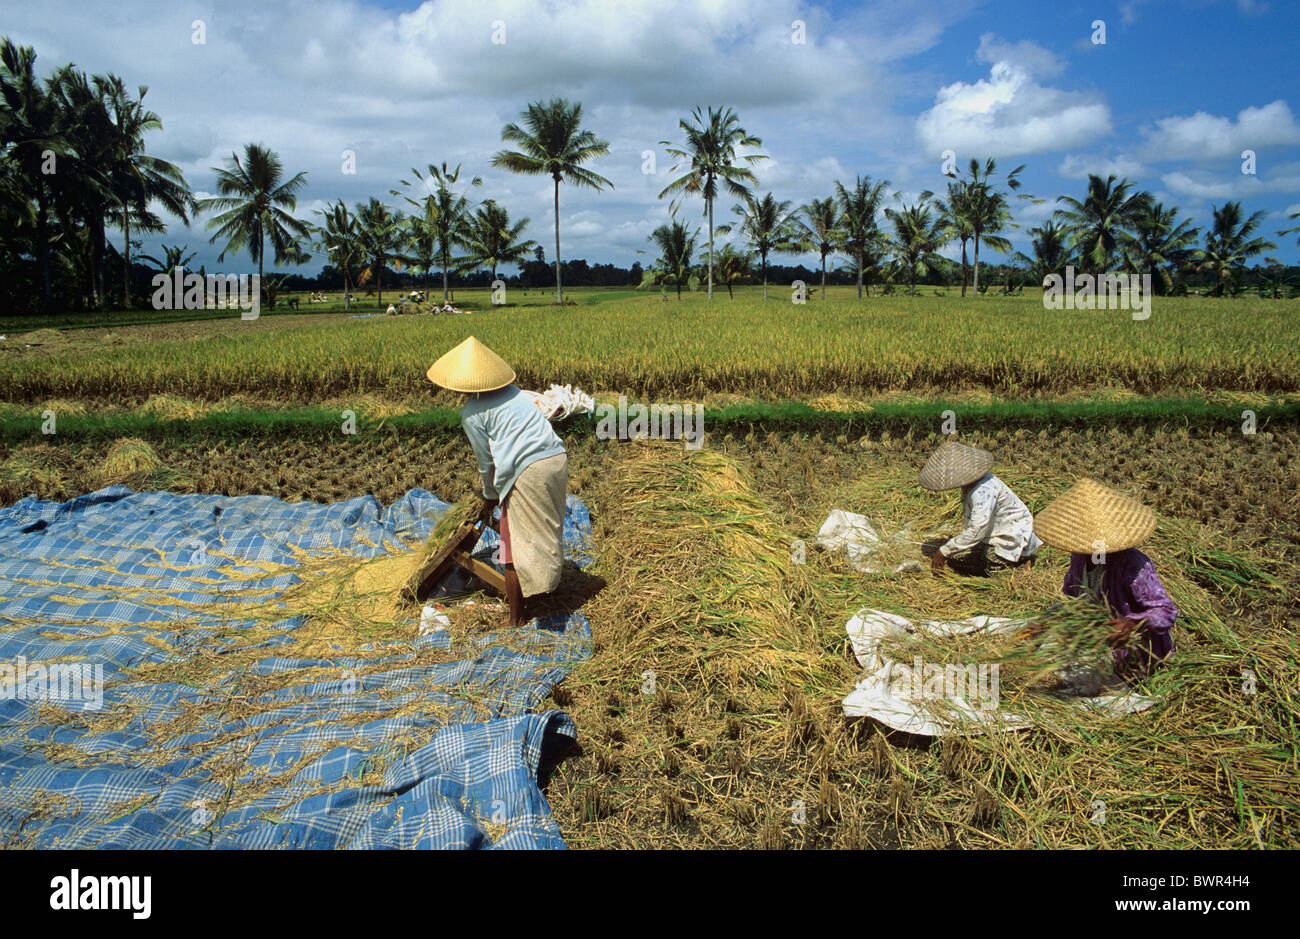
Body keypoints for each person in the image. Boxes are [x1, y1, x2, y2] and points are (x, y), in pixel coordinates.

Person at [426, 337, 569, 628]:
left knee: (512, 544)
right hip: (555, 459)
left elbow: (486, 461)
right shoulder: (515, 393)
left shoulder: (472, 413)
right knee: (545, 531)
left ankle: (516, 618)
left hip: (528, 472)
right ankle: (546, 587)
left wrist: (489, 495)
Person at [1034, 478, 1176, 678]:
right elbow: (1070, 598)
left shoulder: (1132, 564)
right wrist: (1046, 621)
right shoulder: (1080, 557)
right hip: (1094, 630)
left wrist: (1131, 624)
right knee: (1048, 656)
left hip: (1130, 642)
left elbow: (1166, 611)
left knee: (1082, 673)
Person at [920, 440, 1039, 576]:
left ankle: (1019, 564)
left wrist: (943, 552)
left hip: (1014, 535)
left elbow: (977, 530)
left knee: (989, 567)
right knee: (958, 560)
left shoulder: (983, 490)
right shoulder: (971, 484)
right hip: (996, 530)